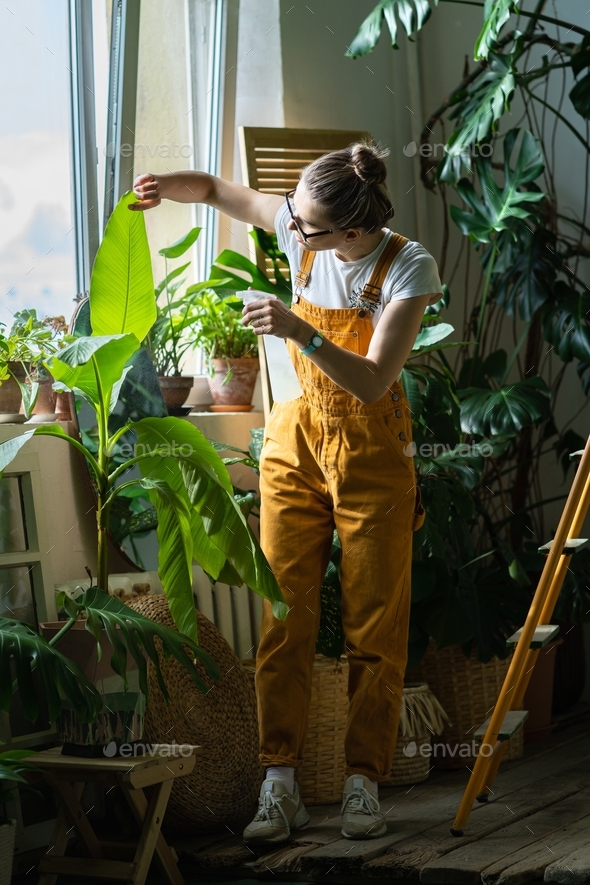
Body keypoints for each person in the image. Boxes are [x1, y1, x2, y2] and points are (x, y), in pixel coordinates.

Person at [131, 140, 443, 844]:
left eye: (306, 226)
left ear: (353, 233)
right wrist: (161, 185)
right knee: (283, 617)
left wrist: (299, 329)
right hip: (295, 439)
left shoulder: (406, 266)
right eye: (293, 218)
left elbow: (371, 380)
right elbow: (215, 188)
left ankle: (363, 782)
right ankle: (281, 786)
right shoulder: (303, 227)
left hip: (372, 449)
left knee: (374, 627)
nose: (290, 231)